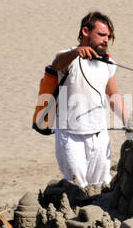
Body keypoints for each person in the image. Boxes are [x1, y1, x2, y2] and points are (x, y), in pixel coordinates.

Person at [49, 12, 124, 189]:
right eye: (102, 35)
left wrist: (129, 122)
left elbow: (113, 97)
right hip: (70, 136)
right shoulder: (67, 57)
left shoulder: (107, 62)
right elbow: (57, 64)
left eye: (109, 37)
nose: (106, 40)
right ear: (85, 31)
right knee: (77, 187)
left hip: (99, 135)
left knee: (101, 185)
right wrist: (76, 52)